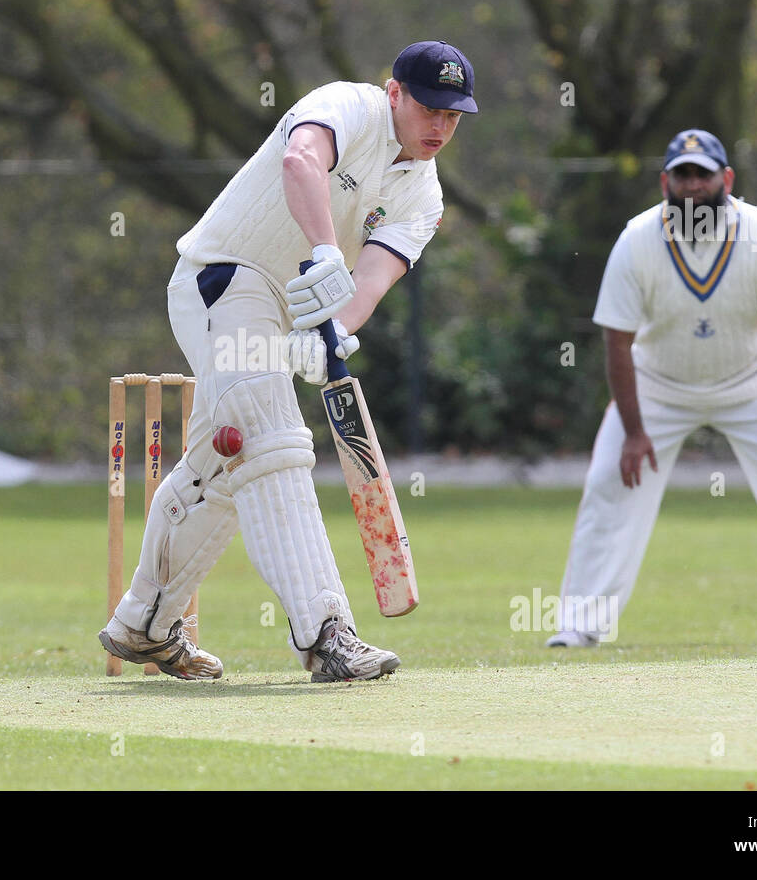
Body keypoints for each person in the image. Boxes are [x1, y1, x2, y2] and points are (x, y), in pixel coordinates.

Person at [99, 41, 477, 680]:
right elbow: (301, 160)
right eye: (428, 109)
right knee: (276, 441)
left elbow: (372, 283)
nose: (439, 126)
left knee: (226, 457)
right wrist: (328, 249)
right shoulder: (346, 106)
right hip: (224, 279)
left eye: (453, 115)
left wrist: (330, 328)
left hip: (284, 313)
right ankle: (327, 635)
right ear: (394, 94)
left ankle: (144, 624)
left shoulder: (426, 197)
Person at [546, 129, 757, 648]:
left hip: (751, 382)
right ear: (665, 182)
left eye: (703, 174)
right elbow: (616, 342)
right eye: (683, 174)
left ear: (726, 179)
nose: (693, 185)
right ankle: (579, 625)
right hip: (657, 385)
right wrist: (633, 432)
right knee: (609, 485)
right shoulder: (637, 238)